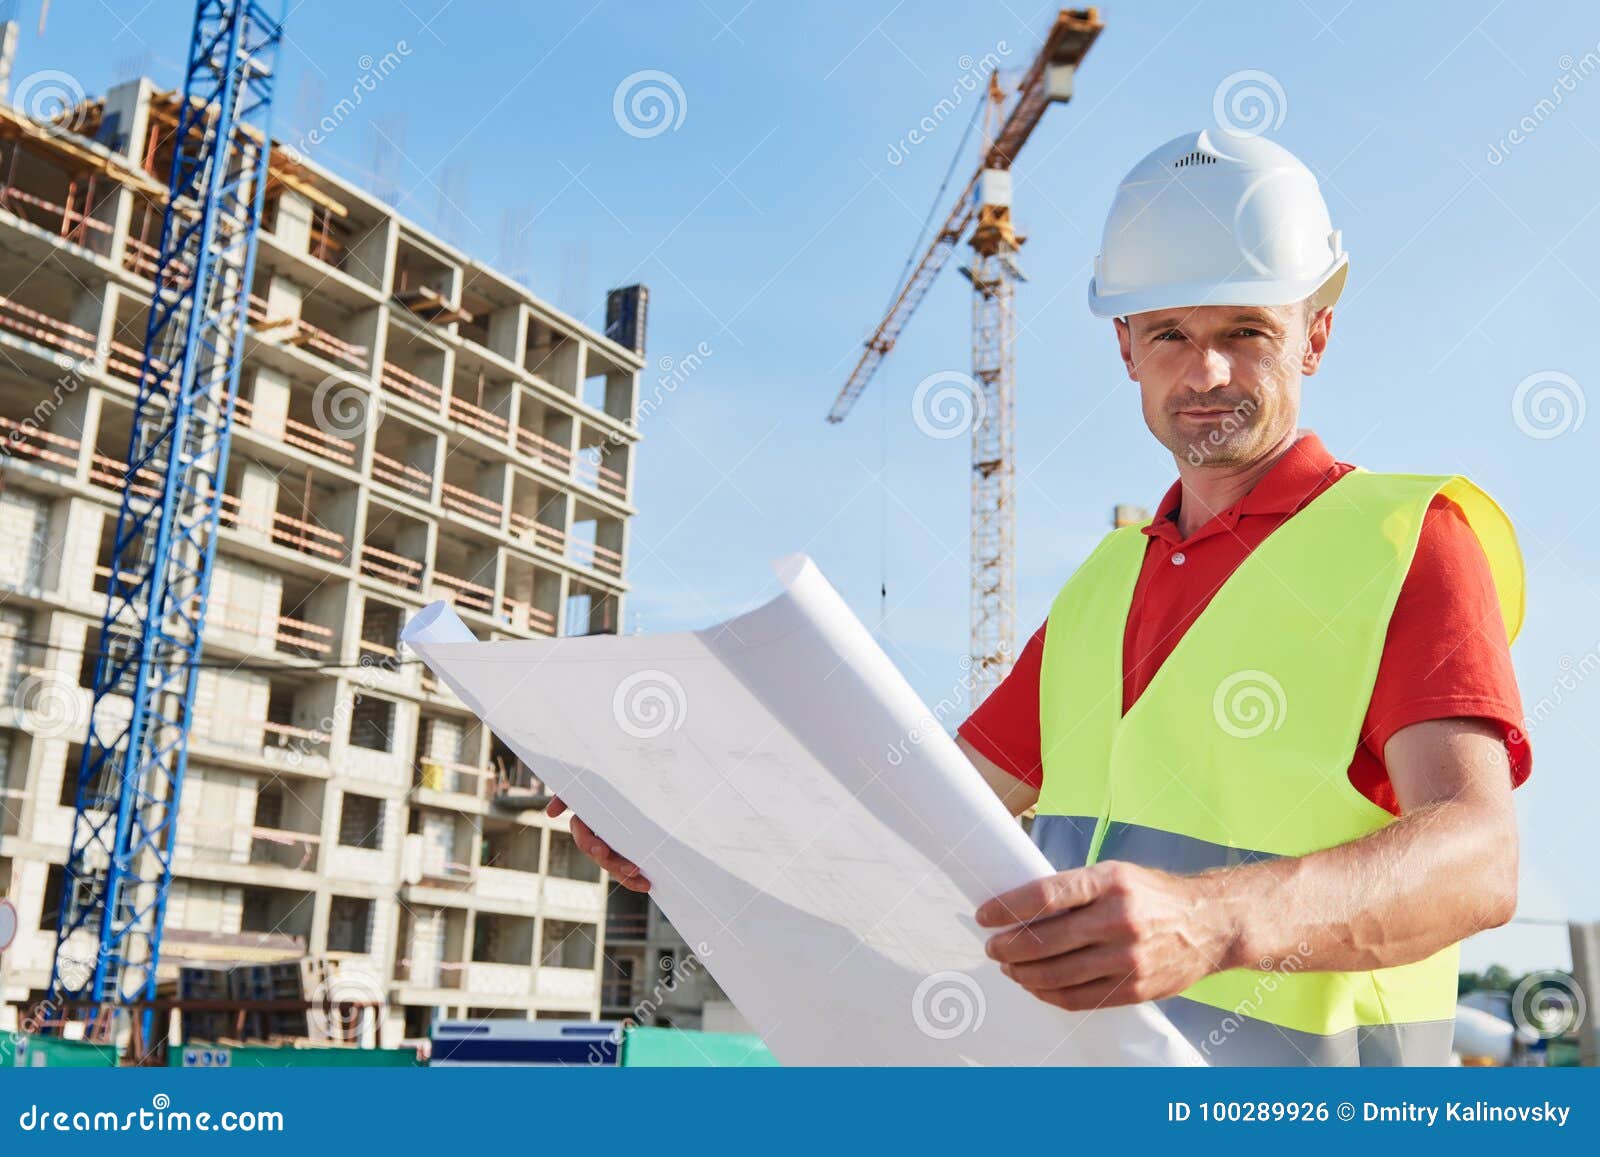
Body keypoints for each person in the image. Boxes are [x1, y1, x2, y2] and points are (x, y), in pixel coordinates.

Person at [553, 129, 1529, 1066]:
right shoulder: (1104, 583)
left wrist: (1212, 920)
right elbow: (917, 816)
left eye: (1246, 330)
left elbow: (1480, 857)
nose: (1206, 371)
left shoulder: (1405, 540)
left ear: (1313, 335)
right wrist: (688, 827)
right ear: (1124, 347)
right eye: (1170, 333)